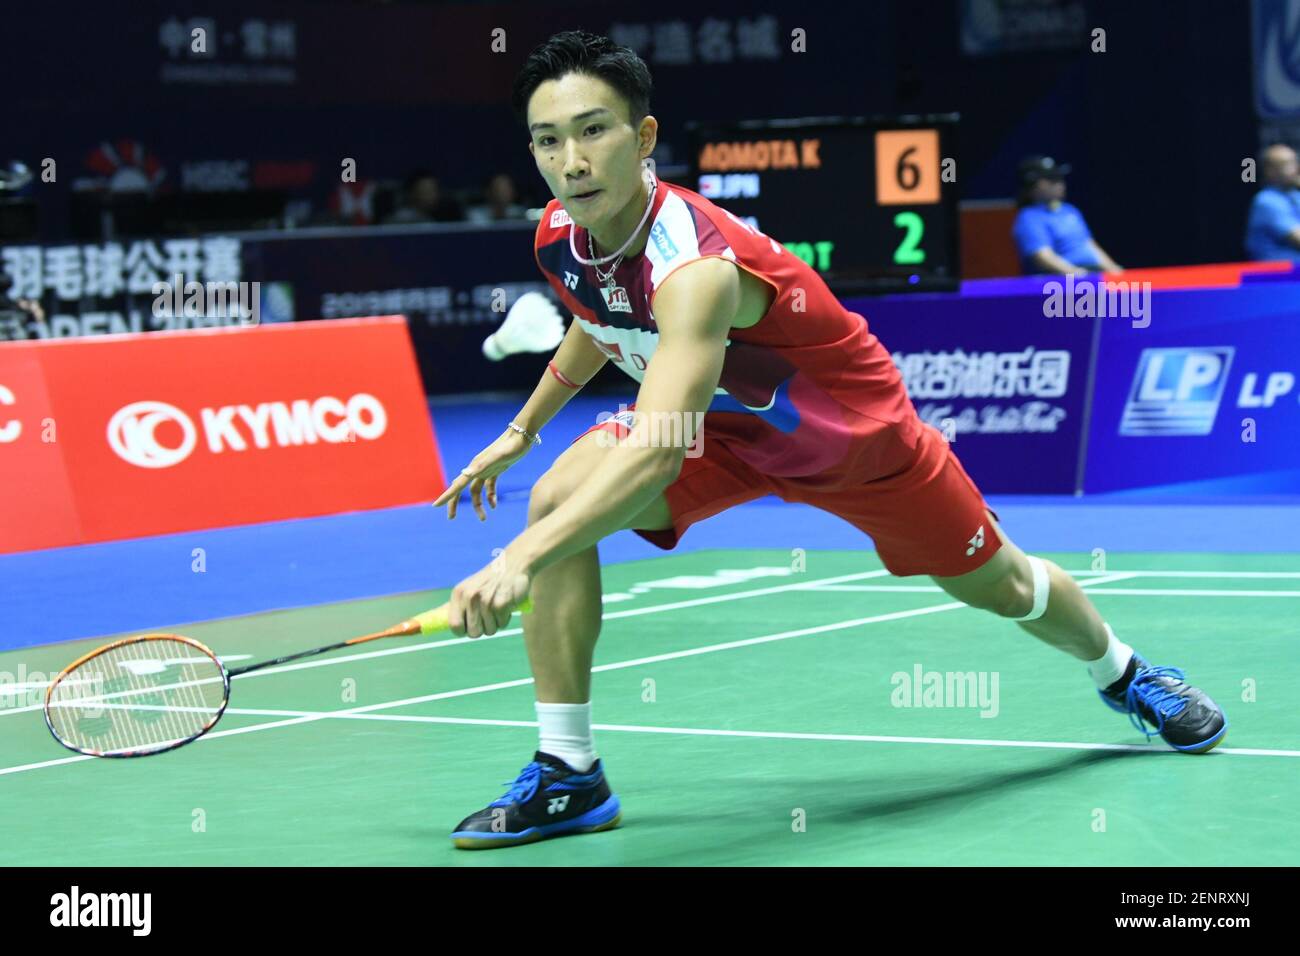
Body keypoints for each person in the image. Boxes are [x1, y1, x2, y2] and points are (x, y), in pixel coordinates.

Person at [432, 31, 1226, 850]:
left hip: (854, 441)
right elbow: (602, 322)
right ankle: (569, 772)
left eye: (593, 131)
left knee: (1004, 584)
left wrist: (515, 559)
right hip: (727, 432)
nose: (571, 160)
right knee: (561, 497)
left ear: (643, 139)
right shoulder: (562, 233)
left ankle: (1125, 672)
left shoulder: (696, 265)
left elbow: (660, 446)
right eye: (548, 139)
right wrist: (523, 431)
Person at [1012, 155, 1122, 275]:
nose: (1060, 184)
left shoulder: (1070, 210)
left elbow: (1089, 245)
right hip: (1060, 282)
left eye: (1060, 178)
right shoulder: (1028, 218)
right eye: (1053, 179)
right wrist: (1076, 274)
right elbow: (1043, 256)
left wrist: (1114, 270)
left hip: (1091, 275)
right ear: (1035, 185)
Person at [1244, 143, 1300, 263]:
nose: (1296, 169)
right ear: (1270, 171)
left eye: (1295, 162)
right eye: (1287, 164)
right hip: (1274, 275)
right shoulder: (1266, 201)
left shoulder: (1296, 196)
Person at [383, 170, 464, 224]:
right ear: (412, 194)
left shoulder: (449, 216)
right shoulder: (399, 221)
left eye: (434, 190)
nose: (432, 195)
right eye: (425, 191)